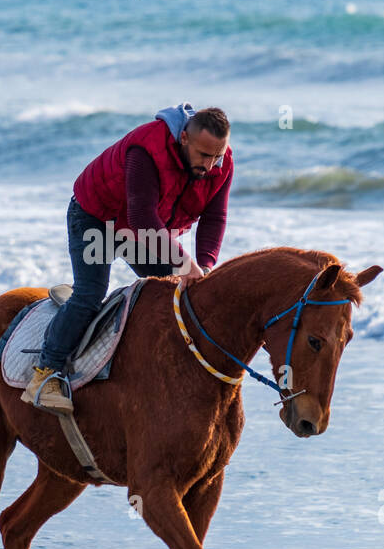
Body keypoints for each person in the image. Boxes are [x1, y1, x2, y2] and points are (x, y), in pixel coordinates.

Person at [22, 103, 233, 413]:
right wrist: (184, 262)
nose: (210, 165)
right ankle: (45, 374)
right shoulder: (146, 148)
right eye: (204, 155)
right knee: (90, 294)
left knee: (181, 290)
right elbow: (142, 218)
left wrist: (205, 266)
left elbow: (215, 217)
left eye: (217, 156)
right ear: (184, 139)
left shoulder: (221, 162)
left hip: (144, 228)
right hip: (96, 217)